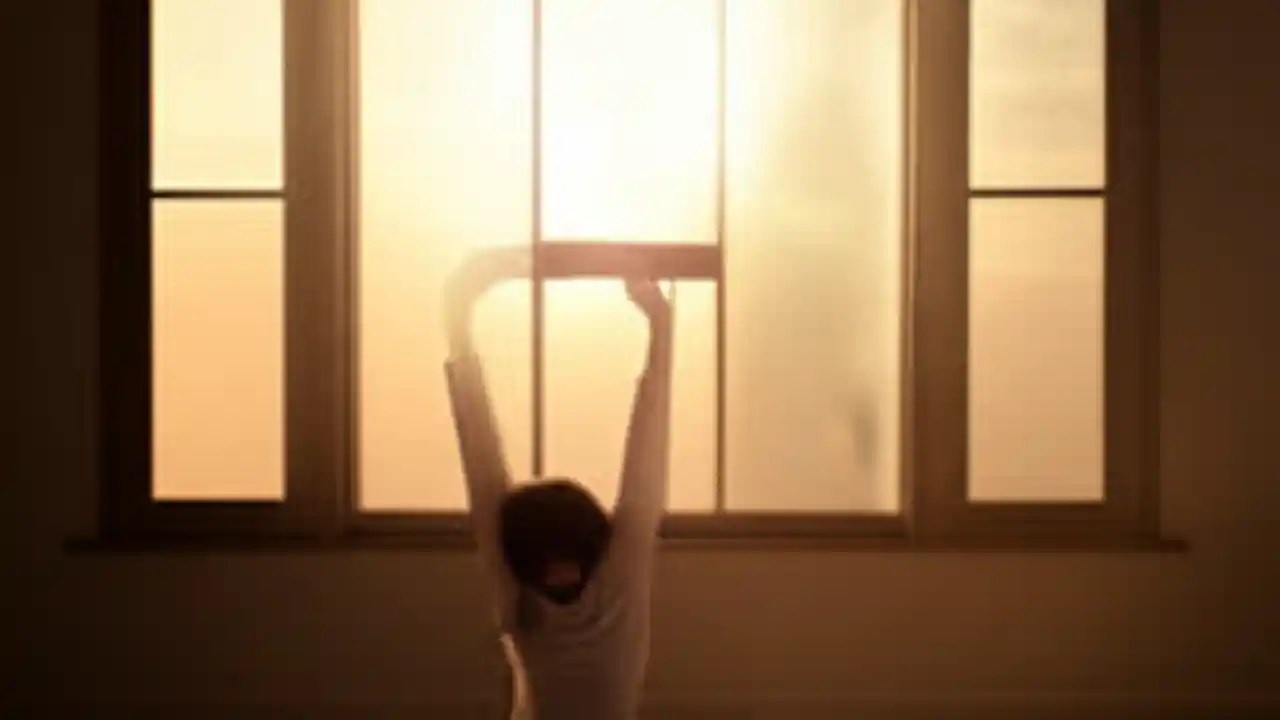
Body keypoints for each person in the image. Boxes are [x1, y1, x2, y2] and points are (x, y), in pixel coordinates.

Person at [444, 249, 673, 720]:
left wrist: (458, 313)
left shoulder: (523, 588)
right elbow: (646, 465)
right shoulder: (616, 581)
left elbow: (480, 464)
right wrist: (661, 324)